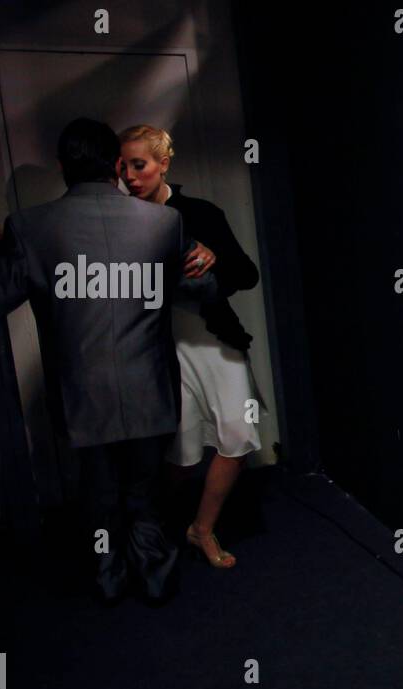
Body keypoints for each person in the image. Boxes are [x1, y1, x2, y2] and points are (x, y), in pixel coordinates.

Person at [0, 117, 218, 603]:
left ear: (62, 167)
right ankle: (156, 579)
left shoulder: (31, 227)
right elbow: (201, 291)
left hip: (81, 393)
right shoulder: (164, 222)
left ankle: (109, 580)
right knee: (143, 494)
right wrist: (205, 262)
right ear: (117, 165)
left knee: (99, 498)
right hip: (149, 387)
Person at [118, 125, 263, 569]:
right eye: (123, 166)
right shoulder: (119, 222)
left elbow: (247, 275)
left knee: (237, 434)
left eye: (139, 165)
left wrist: (216, 256)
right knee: (180, 450)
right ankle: (156, 525)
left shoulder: (199, 212)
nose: (130, 176)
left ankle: (202, 529)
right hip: (160, 347)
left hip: (214, 340)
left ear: (163, 164)